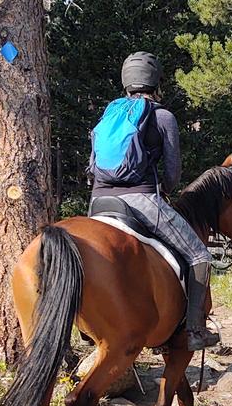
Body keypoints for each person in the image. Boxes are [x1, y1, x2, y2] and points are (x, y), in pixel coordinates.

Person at [88, 51, 219, 350]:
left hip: (98, 203)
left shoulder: (108, 115)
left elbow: (93, 164)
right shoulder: (162, 116)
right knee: (200, 257)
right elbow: (172, 173)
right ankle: (195, 331)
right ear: (156, 82)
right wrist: (168, 190)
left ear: (127, 82)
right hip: (142, 201)